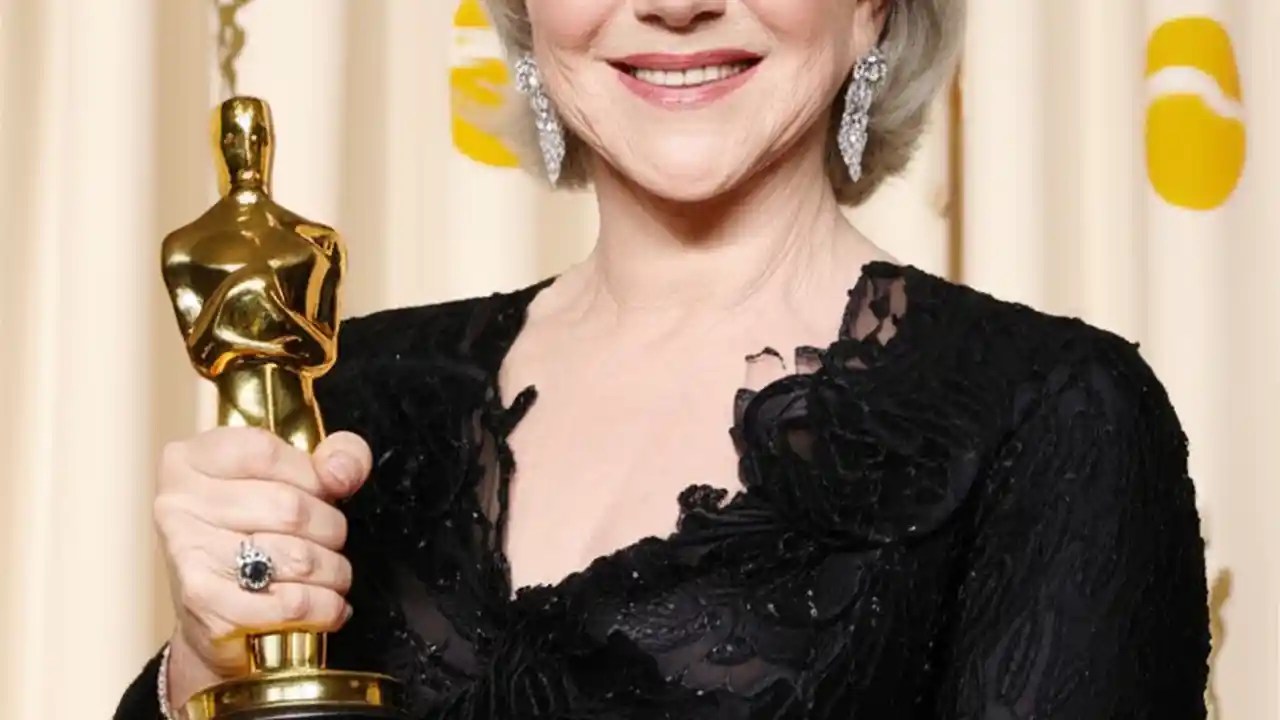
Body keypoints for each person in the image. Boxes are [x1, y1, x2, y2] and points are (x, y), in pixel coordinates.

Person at [117, 0, 1210, 717]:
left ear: (874, 5)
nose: (676, 3)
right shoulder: (351, 394)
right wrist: (207, 664)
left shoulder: (1054, 415)